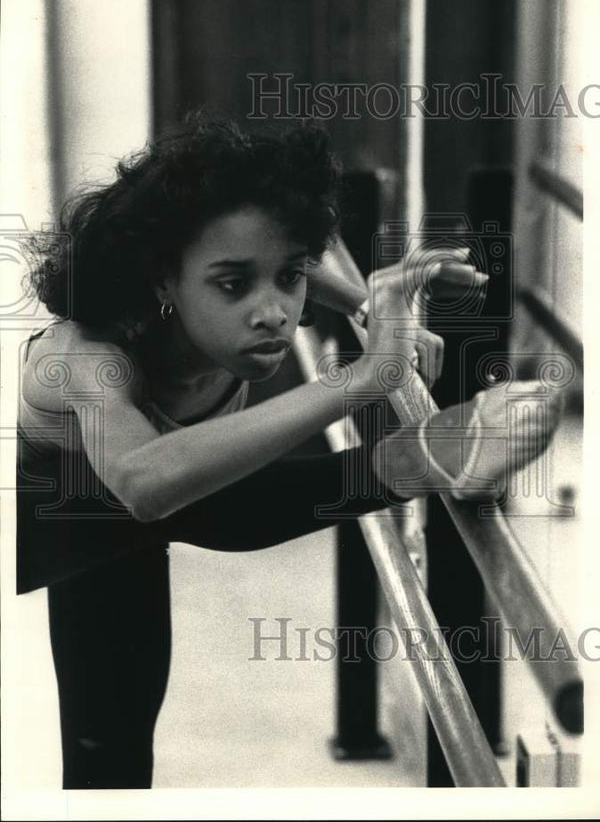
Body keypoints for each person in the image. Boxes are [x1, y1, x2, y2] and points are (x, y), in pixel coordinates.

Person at [17, 115, 561, 789]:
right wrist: (364, 376)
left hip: (180, 485)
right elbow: (142, 483)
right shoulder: (87, 358)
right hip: (83, 510)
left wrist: (371, 302)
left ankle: (412, 460)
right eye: (232, 284)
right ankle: (407, 462)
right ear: (162, 280)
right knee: (110, 759)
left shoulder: (254, 289)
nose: (273, 311)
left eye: (290, 279)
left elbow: (298, 246)